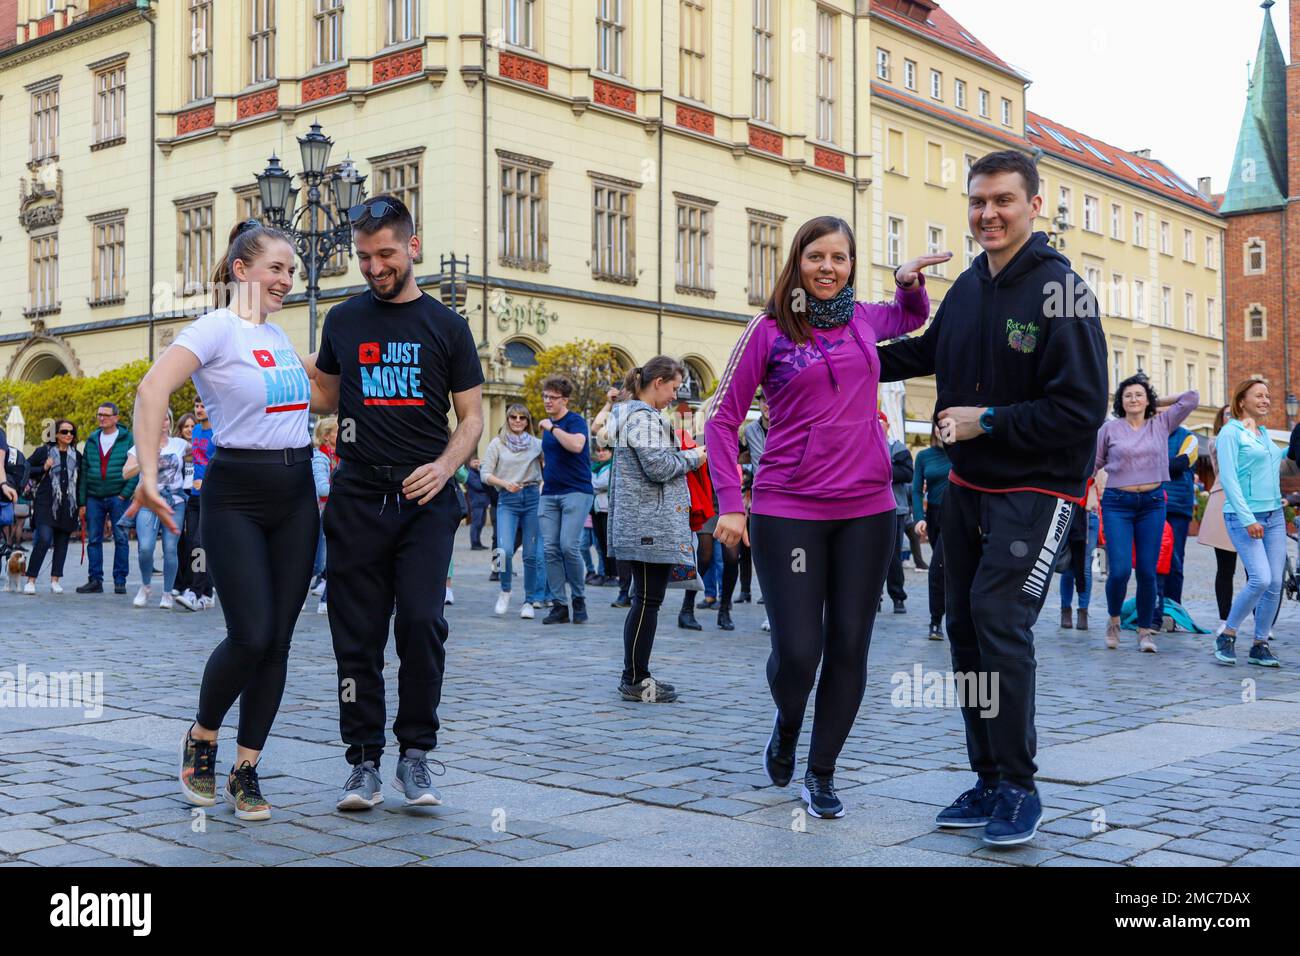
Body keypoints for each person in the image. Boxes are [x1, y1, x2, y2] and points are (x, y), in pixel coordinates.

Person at [876, 150, 1109, 846]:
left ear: (1035, 205)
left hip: (1039, 487)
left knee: (999, 621)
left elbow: (1083, 408)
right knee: (963, 626)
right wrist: (826, 344)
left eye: (1004, 200)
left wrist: (993, 419)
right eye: (978, 202)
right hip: (971, 487)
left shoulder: (1063, 291)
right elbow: (919, 355)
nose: (988, 215)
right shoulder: (970, 286)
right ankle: (987, 777)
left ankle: (1019, 786)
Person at [709, 214, 943, 820]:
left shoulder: (866, 317)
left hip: (867, 509)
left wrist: (908, 283)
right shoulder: (768, 330)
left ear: (850, 265)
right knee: (798, 650)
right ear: (797, 261)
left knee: (849, 646)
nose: (828, 268)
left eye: (839, 258)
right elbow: (721, 420)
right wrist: (731, 504)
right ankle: (787, 722)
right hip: (789, 508)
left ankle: (822, 772)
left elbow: (913, 318)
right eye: (817, 257)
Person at [131, 220, 317, 822]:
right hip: (236, 493)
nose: (287, 280)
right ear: (242, 270)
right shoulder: (215, 327)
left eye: (292, 271)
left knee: (280, 642)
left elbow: (317, 398)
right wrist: (151, 474)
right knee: (251, 634)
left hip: (296, 492)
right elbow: (151, 389)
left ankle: (246, 768)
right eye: (277, 269)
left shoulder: (280, 338)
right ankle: (203, 736)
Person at [306, 195, 485, 811]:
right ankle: (361, 763)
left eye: (384, 254)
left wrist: (444, 466)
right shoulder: (344, 321)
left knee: (419, 623)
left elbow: (472, 416)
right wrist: (260, 350)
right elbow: (326, 399)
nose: (373, 267)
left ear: (412, 248)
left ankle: (415, 755)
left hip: (424, 498)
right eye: (363, 256)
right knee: (354, 636)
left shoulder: (447, 327)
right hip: (357, 494)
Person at [610, 356, 709, 704]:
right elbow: (659, 466)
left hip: (644, 521)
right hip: (646, 523)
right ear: (658, 382)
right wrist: (696, 456)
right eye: (675, 387)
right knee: (647, 601)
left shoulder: (635, 415)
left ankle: (637, 674)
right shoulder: (639, 417)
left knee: (645, 600)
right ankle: (635, 678)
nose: (675, 395)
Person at [1094, 375, 1198, 652]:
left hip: (1152, 503)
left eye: (1139, 395)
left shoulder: (1161, 424)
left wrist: (1154, 400)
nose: (1134, 400)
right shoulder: (1110, 429)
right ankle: (1114, 619)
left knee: (1148, 571)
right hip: (1117, 503)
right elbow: (1093, 463)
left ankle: (1144, 631)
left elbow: (1191, 398)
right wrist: (1090, 494)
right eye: (1127, 395)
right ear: (1120, 401)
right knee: (1118, 571)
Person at [1214, 379, 1284, 667]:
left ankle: (1260, 643)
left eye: (1268, 395)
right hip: (1244, 517)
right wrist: (1247, 519)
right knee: (1260, 578)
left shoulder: (1265, 434)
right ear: (1241, 401)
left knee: (1276, 583)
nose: (1265, 400)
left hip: (1275, 515)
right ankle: (1227, 633)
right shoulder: (1230, 433)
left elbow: (1280, 462)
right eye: (1259, 395)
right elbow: (1229, 480)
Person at [536, 376, 595, 625]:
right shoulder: (550, 427)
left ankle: (579, 599)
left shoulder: (574, 421)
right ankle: (560, 605)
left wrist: (552, 428)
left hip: (577, 491)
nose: (547, 401)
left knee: (568, 546)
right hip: (549, 493)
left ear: (565, 400)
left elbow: (576, 446)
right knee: (550, 549)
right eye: (545, 396)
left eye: (552, 397)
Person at [481, 402, 544, 619]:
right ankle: (505, 590)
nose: (517, 421)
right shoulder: (497, 444)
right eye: (513, 417)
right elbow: (484, 473)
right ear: (507, 419)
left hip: (532, 497)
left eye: (522, 418)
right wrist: (504, 483)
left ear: (528, 422)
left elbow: (549, 468)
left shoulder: (537, 444)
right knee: (504, 549)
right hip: (507, 498)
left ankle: (529, 600)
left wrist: (543, 484)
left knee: (530, 554)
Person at [123, 411, 188, 609]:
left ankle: (167, 593)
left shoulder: (180, 444)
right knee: (145, 548)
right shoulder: (141, 446)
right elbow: (126, 473)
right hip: (148, 502)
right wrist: (144, 461)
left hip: (174, 502)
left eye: (166, 418)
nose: (162, 422)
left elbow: (203, 455)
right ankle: (145, 586)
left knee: (170, 548)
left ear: (170, 421)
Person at [76, 401, 137, 594]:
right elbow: (84, 472)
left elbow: (136, 468)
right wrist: (82, 501)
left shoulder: (128, 439)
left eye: (106, 415)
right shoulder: (92, 439)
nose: (101, 418)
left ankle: (120, 580)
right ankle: (95, 580)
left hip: (118, 496)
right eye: (99, 414)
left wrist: (124, 494)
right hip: (94, 497)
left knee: (121, 538)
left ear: (116, 418)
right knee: (94, 539)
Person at [23, 419, 81, 594]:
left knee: (62, 541)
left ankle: (55, 580)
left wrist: (82, 504)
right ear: (56, 434)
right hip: (45, 503)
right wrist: (43, 467)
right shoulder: (44, 452)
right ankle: (31, 580)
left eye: (71, 432)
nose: (69, 435)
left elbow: (81, 481)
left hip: (68, 505)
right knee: (44, 539)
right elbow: (25, 468)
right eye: (64, 432)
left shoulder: (77, 456)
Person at [174, 398, 215, 611]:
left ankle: (195, 591)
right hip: (194, 497)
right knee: (192, 544)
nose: (199, 410)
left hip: (212, 495)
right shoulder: (197, 431)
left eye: (203, 406)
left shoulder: (217, 431)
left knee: (200, 544)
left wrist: (206, 480)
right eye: (197, 406)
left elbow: (223, 462)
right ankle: (207, 593)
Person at [1198, 406, 1238, 625]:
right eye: (1228, 414)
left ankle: (1261, 619)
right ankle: (1225, 619)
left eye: (1236, 414)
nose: (1232, 418)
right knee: (1225, 567)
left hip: (1252, 502)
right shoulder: (1217, 441)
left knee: (1257, 571)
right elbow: (1219, 467)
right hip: (1224, 501)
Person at [912, 424, 951, 640]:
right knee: (945, 569)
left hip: (956, 516)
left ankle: (936, 621)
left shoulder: (961, 453)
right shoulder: (924, 456)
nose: (941, 428)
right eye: (938, 423)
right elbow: (917, 490)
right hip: (933, 516)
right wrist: (919, 517)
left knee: (938, 567)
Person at [1158, 422, 1199, 625]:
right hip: (1152, 503)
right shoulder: (1150, 432)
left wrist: (1148, 465)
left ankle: (1172, 611)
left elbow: (1180, 464)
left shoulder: (1188, 437)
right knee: (1150, 560)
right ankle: (1152, 610)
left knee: (1174, 560)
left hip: (1177, 507)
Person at [1058, 479, 1101, 631]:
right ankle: (1065, 610)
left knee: (1085, 567)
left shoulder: (1098, 459)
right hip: (1069, 510)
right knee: (1068, 565)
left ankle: (1083, 611)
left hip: (1090, 514)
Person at [884, 428, 915, 614]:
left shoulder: (897, 448)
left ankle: (897, 596)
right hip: (868, 509)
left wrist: (880, 468)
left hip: (896, 510)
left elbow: (907, 473)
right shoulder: (866, 444)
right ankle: (874, 598)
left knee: (894, 556)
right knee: (867, 557)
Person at [311, 416, 338, 615]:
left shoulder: (340, 456)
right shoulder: (320, 457)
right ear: (327, 436)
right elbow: (322, 489)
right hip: (322, 514)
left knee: (335, 559)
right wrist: (345, 488)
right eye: (337, 431)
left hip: (337, 512)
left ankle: (327, 599)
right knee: (318, 562)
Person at [590, 441, 614, 584]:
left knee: (608, 544)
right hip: (597, 509)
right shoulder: (594, 468)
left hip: (608, 509)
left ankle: (615, 575)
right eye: (598, 450)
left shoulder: (612, 466)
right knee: (601, 545)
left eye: (604, 450)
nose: (601, 453)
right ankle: (606, 573)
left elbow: (603, 483)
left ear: (610, 452)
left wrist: (594, 485)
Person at [464, 457, 492, 551]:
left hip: (483, 502)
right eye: (474, 462)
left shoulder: (479, 472)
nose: (477, 463)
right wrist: (487, 485)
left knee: (481, 523)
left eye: (478, 461)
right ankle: (474, 543)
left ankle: (478, 542)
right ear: (470, 463)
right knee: (476, 523)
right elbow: (479, 486)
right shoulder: (470, 474)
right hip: (476, 503)